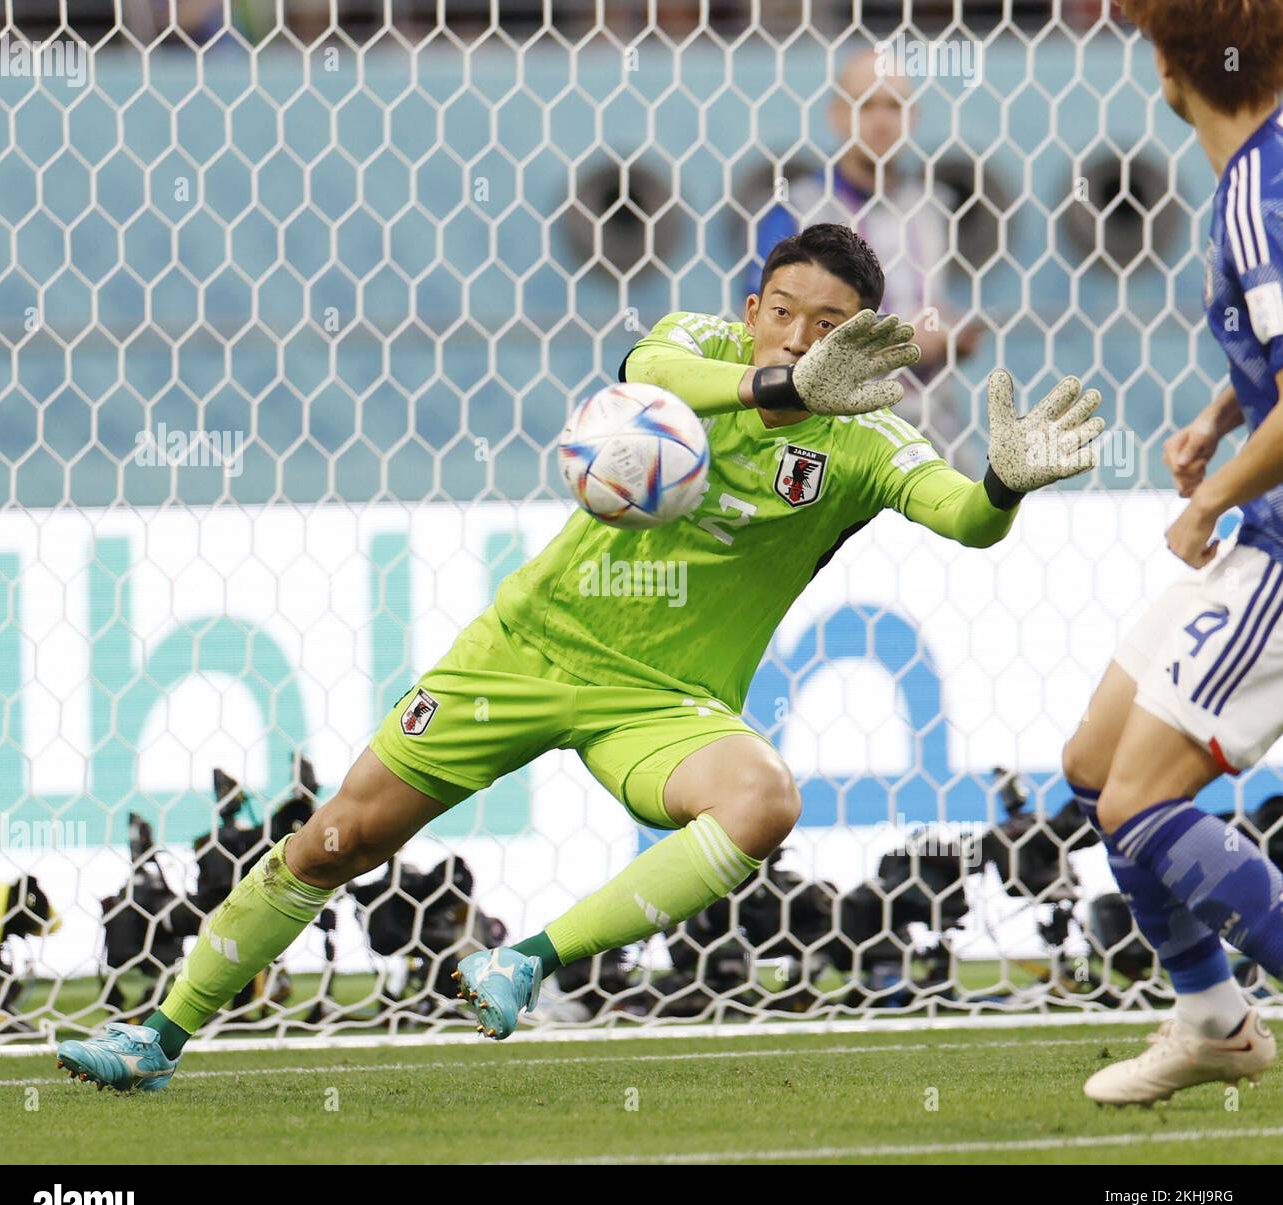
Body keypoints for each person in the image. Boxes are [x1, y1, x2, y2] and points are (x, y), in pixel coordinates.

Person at [57, 223, 1102, 1090]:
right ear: (750, 313)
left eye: (829, 326)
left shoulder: (868, 445)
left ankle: (523, 962)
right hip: (523, 651)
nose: (799, 335)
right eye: (781, 311)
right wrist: (777, 379)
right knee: (332, 842)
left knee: (762, 801)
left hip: (663, 701)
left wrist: (1003, 485)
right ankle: (157, 1038)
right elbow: (644, 367)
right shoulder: (694, 350)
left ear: (866, 341)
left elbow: (960, 516)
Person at [1062, 0, 1283, 1105]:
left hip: (1278, 554)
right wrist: (1218, 415)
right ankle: (1213, 1023)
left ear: (1168, 62)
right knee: (1098, 765)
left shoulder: (1258, 194)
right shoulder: (1259, 171)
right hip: (1263, 531)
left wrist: (1213, 501)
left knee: (1138, 806)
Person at [750, 49, 982, 457]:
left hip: (930, 429)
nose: (881, 121)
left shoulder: (933, 208)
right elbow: (764, 331)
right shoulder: (797, 210)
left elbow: (936, 306)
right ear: (838, 115)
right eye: (866, 104)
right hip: (833, 432)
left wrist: (954, 335)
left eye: (893, 106)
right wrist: (905, 344)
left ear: (912, 118)